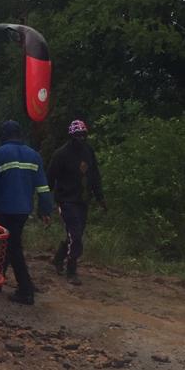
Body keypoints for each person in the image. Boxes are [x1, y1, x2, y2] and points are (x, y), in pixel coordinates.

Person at [0, 120, 54, 305]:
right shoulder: (34, 156)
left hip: (3, 209)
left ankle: (26, 289)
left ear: (4, 136)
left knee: (12, 246)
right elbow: (43, 187)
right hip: (23, 210)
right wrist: (45, 210)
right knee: (9, 243)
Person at [47, 119, 105, 285]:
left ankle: (59, 258)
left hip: (82, 200)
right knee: (76, 235)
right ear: (71, 136)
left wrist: (100, 197)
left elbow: (94, 175)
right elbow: (50, 178)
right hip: (66, 200)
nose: (81, 139)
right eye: (78, 136)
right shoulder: (61, 154)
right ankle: (71, 269)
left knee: (74, 235)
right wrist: (45, 203)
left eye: (83, 135)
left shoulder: (88, 151)